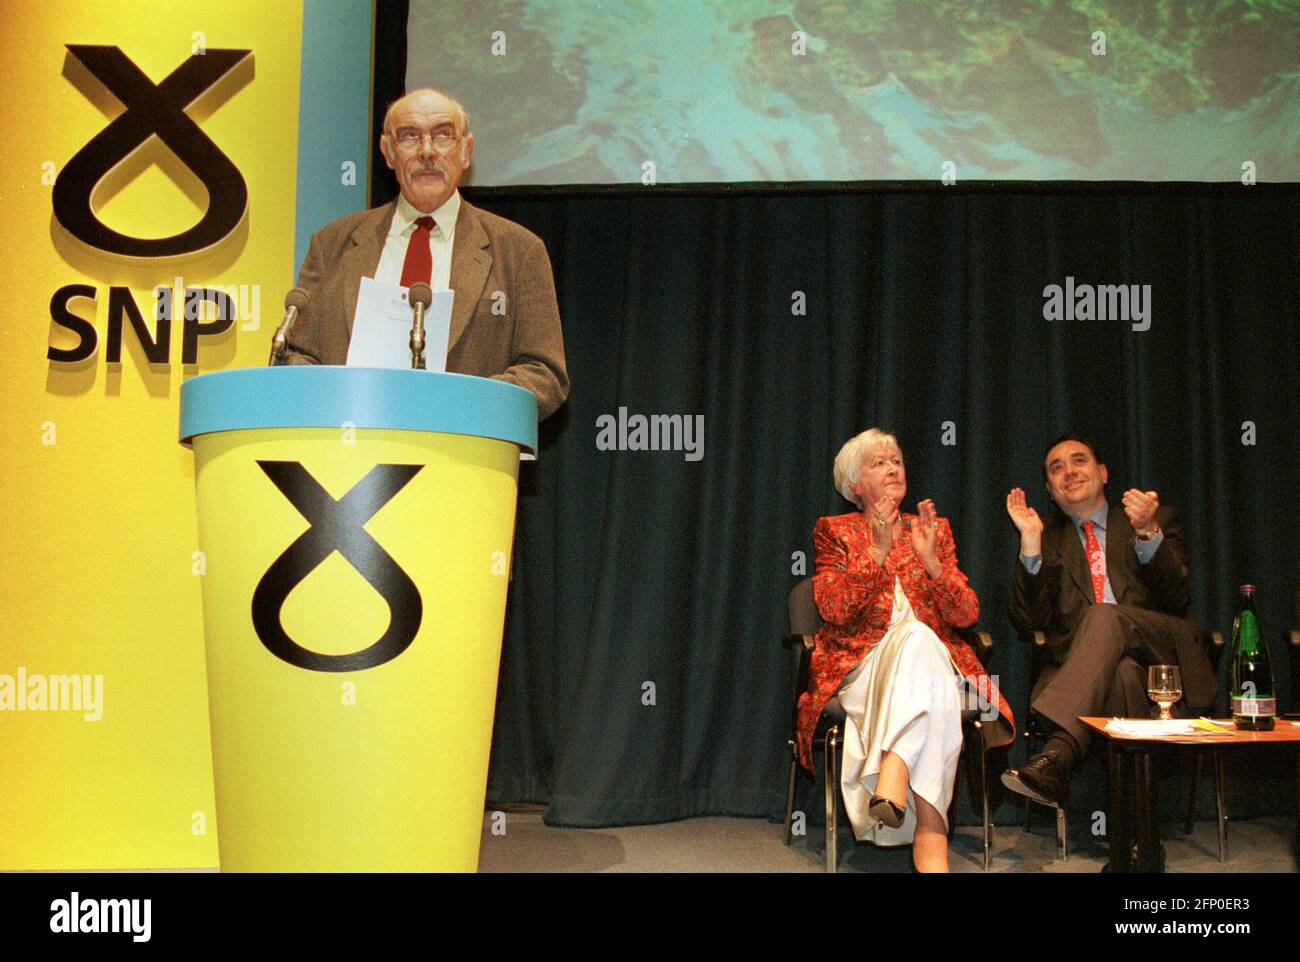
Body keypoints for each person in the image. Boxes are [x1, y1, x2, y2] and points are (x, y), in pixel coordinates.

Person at [798, 429, 1014, 872]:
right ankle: (932, 837)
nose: (893, 468)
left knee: (922, 643)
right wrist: (877, 550)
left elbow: (967, 615)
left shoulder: (933, 530)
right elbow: (834, 609)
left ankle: (894, 772)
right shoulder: (834, 531)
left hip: (935, 664)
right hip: (862, 663)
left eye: (896, 460)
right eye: (878, 463)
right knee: (921, 651)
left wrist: (933, 562)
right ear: (854, 485)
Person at [283, 88, 569, 419]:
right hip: (346, 451)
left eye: (443, 136)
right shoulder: (332, 244)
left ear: (466, 151)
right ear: (388, 153)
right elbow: (294, 355)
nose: (427, 152)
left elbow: (545, 374)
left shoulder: (518, 250)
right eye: (409, 137)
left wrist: (452, 407)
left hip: (465, 455)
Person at [1002, 434, 1217, 807]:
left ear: (1102, 473)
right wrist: (1031, 546)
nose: (1069, 471)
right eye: (1057, 468)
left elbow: (1177, 597)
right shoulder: (1047, 539)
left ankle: (1058, 753)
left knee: (1106, 616)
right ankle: (1136, 837)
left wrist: (1148, 533)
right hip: (1088, 672)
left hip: (1162, 655)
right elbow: (1028, 620)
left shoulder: (1152, 519)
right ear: (1050, 491)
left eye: (1079, 461)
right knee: (1122, 675)